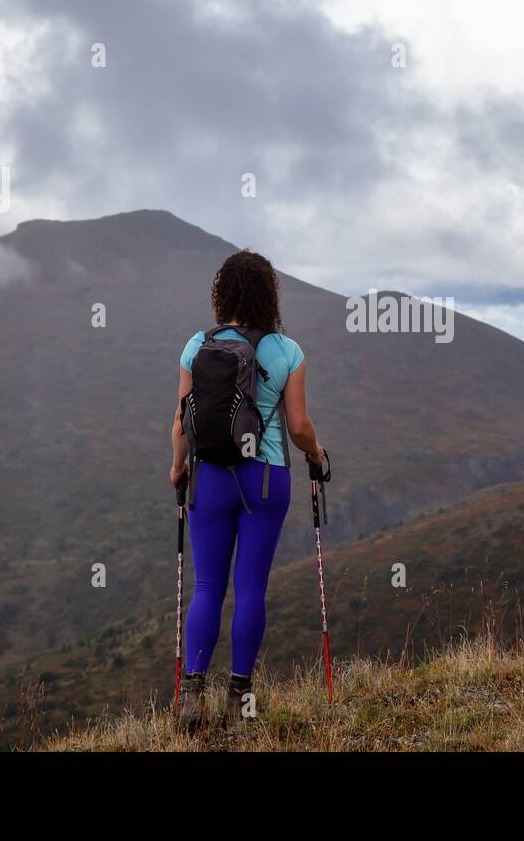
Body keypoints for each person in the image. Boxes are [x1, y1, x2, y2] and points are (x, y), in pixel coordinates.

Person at [169, 249, 326, 729]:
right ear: (267, 295)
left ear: (224, 292)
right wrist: (316, 456)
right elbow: (298, 426)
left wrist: (178, 467)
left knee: (207, 586)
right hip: (265, 479)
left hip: (210, 475)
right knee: (251, 587)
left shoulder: (199, 344)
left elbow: (181, 418)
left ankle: (192, 696)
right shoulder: (288, 351)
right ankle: (240, 699)